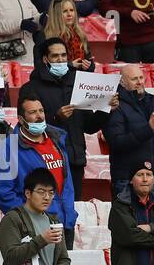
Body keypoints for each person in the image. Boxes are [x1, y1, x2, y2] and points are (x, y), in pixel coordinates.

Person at [18, 36, 105, 199]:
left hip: (75, 160)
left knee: (73, 210)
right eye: (55, 56)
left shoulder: (78, 84)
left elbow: (89, 126)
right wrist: (56, 118)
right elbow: (26, 124)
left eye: (64, 55)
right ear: (45, 59)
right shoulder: (32, 88)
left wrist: (106, 109)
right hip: (45, 161)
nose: (60, 60)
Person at [0, 94, 78, 231]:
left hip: (65, 222)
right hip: (35, 227)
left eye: (41, 111)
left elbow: (66, 183)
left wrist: (70, 213)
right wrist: (29, 219)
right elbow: (3, 193)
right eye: (32, 112)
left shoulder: (57, 139)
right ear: (21, 119)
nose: (39, 116)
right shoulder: (8, 148)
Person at [104, 64, 154, 196]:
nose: (139, 82)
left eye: (141, 77)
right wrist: (147, 130)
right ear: (122, 82)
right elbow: (117, 142)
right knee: (127, 217)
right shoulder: (114, 105)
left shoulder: (151, 102)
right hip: (126, 179)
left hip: (153, 178)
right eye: (134, 79)